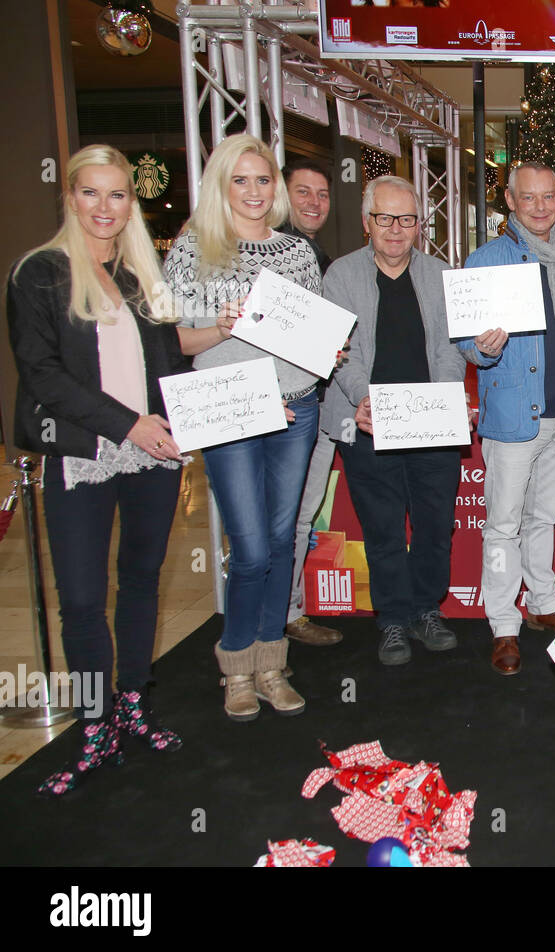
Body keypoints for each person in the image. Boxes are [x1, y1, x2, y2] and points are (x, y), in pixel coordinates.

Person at [8, 145, 185, 795]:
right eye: (91, 193)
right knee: (81, 600)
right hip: (82, 453)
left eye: (117, 195)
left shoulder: (144, 274)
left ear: (130, 204)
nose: (104, 207)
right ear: (70, 196)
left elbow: (169, 365)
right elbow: (43, 375)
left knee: (140, 581)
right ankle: (93, 723)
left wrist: (221, 410)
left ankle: (132, 705)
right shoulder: (41, 274)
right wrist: (128, 423)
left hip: (152, 455)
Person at [164, 133, 321, 721]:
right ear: (220, 185)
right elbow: (176, 338)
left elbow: (307, 336)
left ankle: (271, 665)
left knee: (283, 541)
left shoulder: (297, 253)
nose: (255, 192)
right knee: (250, 546)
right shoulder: (192, 248)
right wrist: (225, 329)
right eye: (241, 180)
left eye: (263, 180)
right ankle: (236, 664)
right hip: (231, 406)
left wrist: (326, 352)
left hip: (296, 405)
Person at [321, 175, 504, 665]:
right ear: (367, 223)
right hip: (368, 422)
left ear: (420, 226)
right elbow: (340, 352)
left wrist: (444, 399)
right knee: (382, 528)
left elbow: (449, 349)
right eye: (386, 218)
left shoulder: (440, 274)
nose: (396, 229)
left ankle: (426, 608)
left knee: (433, 524)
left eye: (407, 219)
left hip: (431, 424)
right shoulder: (340, 275)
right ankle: (393, 620)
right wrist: (365, 400)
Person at [461, 160, 555, 676]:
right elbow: (466, 339)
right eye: (528, 198)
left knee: (543, 517)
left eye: (549, 197)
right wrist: (481, 348)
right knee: (503, 526)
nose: (540, 207)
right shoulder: (486, 259)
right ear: (509, 201)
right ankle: (503, 625)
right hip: (514, 414)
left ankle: (543, 602)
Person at [280, 156, 342, 647]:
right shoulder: (271, 254)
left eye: (322, 194)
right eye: (303, 192)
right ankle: (270, 621)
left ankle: (287, 613)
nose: (314, 203)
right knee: (272, 523)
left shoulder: (316, 257)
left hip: (315, 407)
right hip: (279, 411)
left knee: (300, 516)